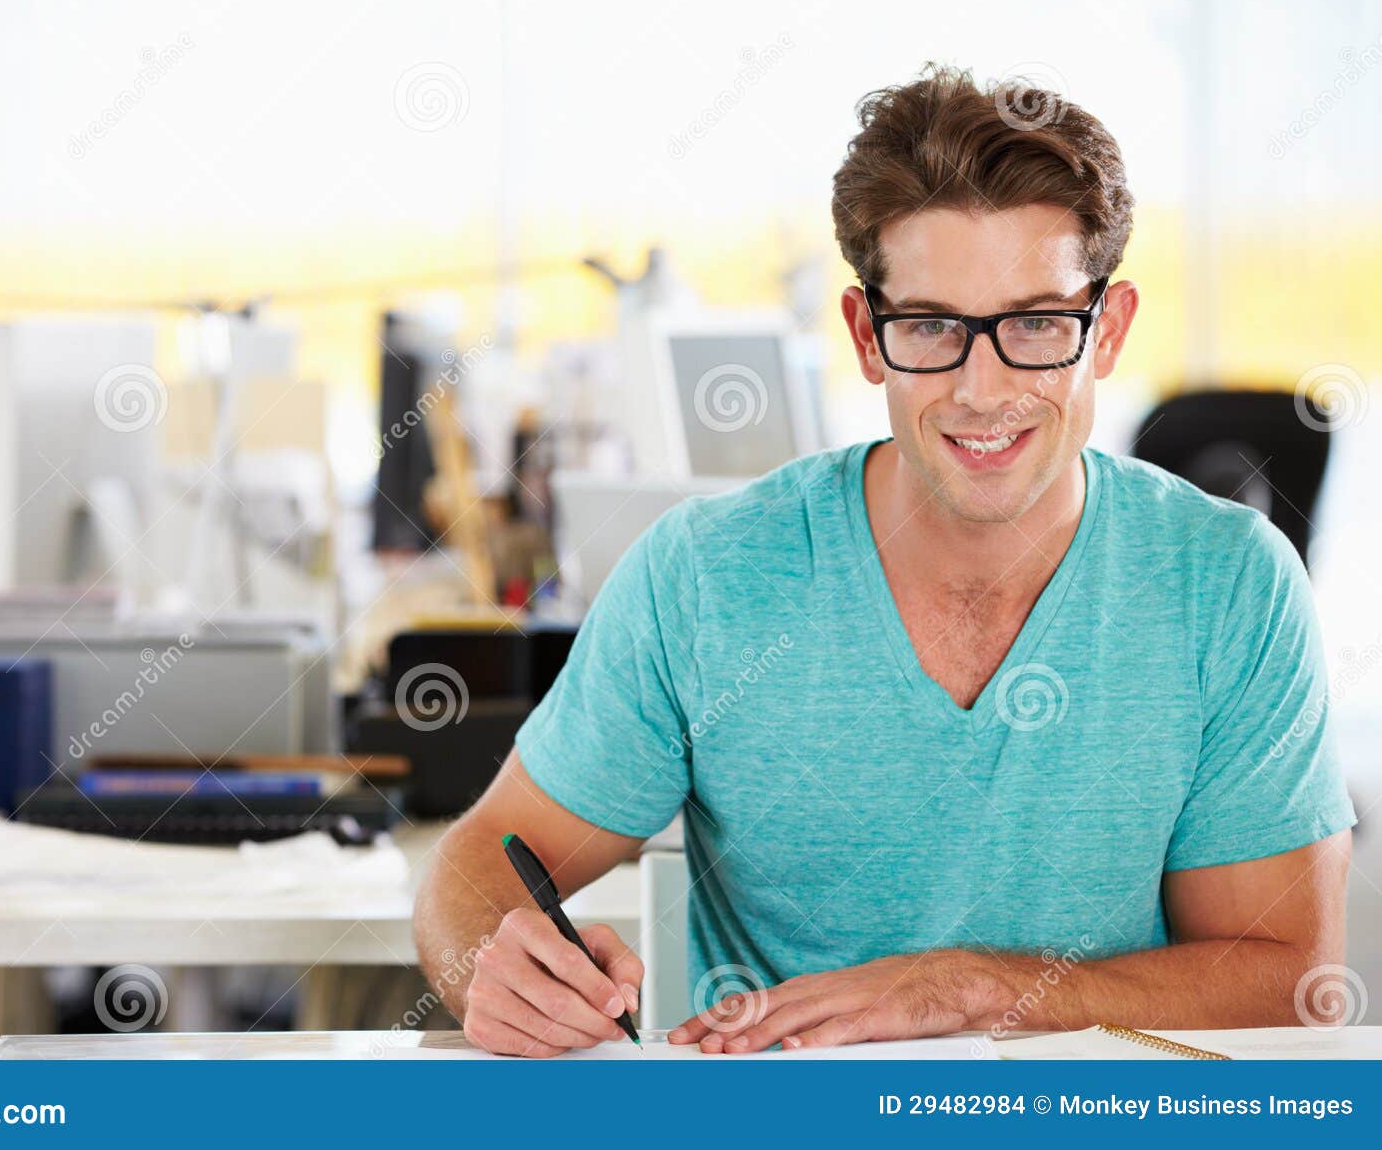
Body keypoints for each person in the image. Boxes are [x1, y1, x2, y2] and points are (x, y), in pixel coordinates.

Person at [413, 65, 1355, 1056]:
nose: (981, 388)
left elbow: (1286, 981)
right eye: (932, 326)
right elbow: (478, 860)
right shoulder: (705, 577)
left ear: (1106, 331)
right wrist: (490, 962)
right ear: (868, 336)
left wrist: (968, 988)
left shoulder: (1227, 583)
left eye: (1037, 323)